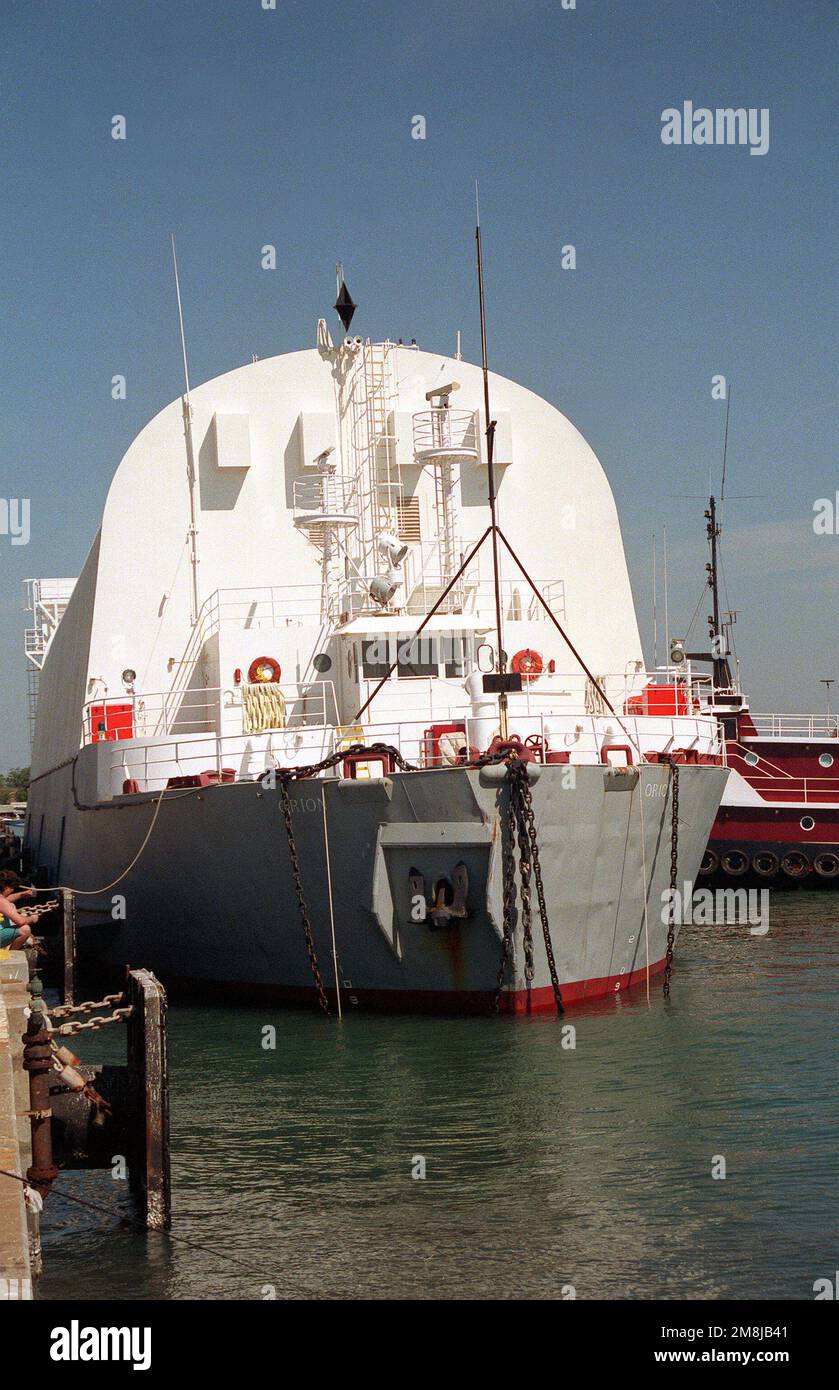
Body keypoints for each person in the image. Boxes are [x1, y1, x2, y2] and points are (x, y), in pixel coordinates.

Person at [0, 869, 35, 950]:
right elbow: (20, 921)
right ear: (7, 887)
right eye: (12, 888)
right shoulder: (1, 901)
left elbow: (6, 900)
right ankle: (12, 956)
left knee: (11, 905)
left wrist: (21, 895)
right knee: (25, 930)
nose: (12, 891)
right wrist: (32, 918)